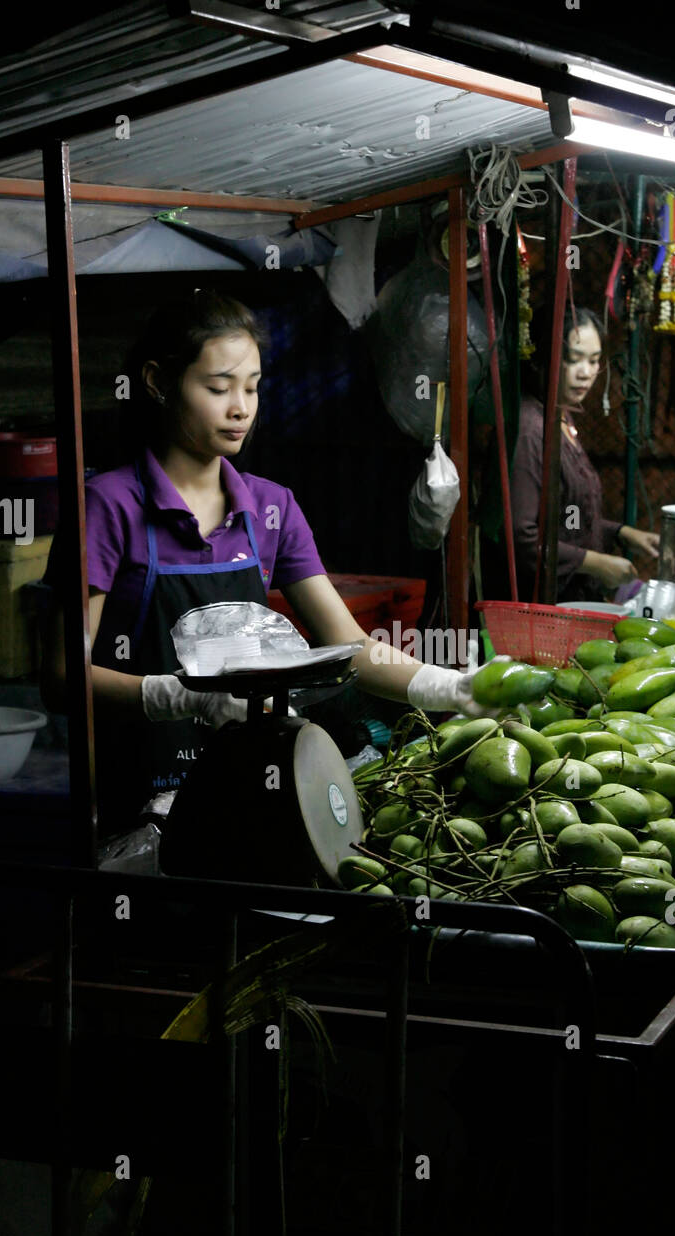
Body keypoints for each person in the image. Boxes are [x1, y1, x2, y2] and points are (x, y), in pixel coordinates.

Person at [40, 289, 489, 836]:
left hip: (248, 789)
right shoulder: (108, 506)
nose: (241, 408)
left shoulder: (271, 508)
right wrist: (177, 697)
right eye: (217, 387)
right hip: (135, 801)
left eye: (252, 387)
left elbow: (351, 649)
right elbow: (64, 678)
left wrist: (450, 688)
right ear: (158, 382)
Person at [510, 308, 659, 602]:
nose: (586, 373)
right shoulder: (530, 430)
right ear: (544, 358)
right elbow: (520, 537)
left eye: (594, 361)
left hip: (572, 599)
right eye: (573, 359)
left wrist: (622, 532)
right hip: (540, 607)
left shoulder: (561, 418)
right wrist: (595, 564)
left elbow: (568, 519)